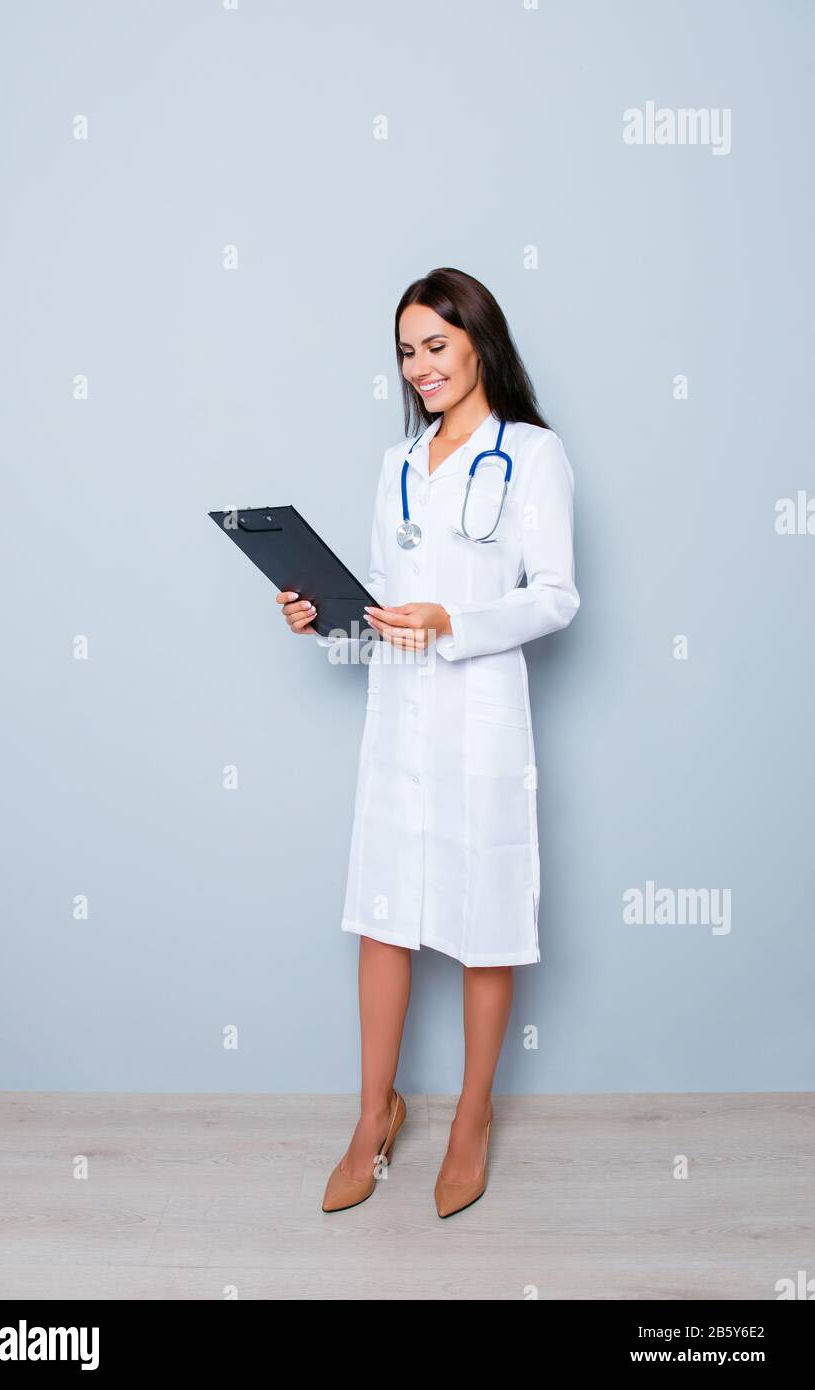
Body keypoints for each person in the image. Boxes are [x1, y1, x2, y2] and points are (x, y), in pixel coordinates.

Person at [276, 267, 580, 1218]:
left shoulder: (531, 456)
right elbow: (376, 598)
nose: (420, 368)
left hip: (483, 719)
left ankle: (473, 1117)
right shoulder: (397, 463)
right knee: (382, 914)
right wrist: (322, 617)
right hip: (398, 720)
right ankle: (375, 1116)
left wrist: (455, 618)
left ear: (478, 341)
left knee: (484, 921)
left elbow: (556, 596)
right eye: (407, 352)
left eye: (436, 346)